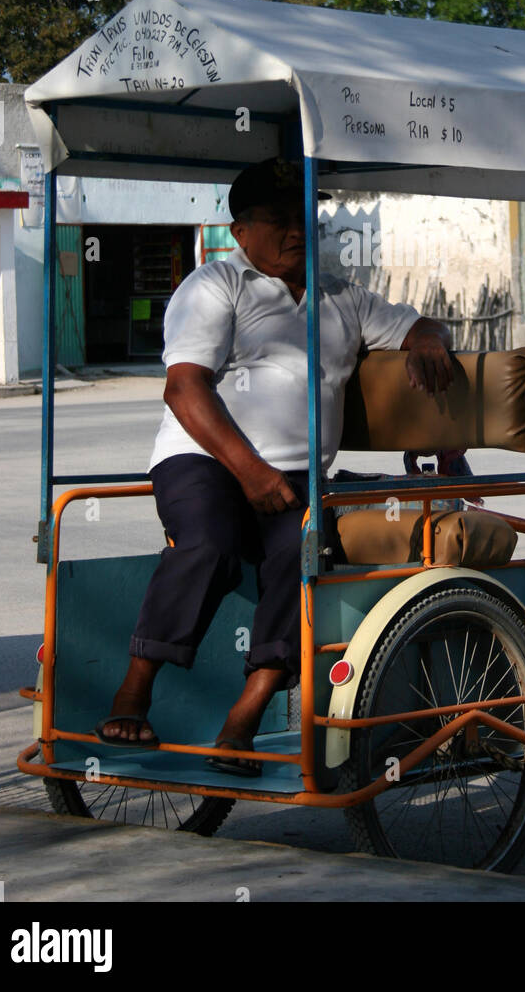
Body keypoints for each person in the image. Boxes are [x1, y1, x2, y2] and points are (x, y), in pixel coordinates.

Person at [96, 158, 453, 773]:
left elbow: (417, 324)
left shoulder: (342, 295)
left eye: (304, 220)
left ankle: (247, 715)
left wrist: (426, 336)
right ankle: (134, 689)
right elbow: (184, 390)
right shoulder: (216, 285)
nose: (296, 233)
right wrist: (250, 474)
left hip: (297, 481)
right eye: (279, 221)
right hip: (202, 461)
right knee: (208, 543)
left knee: (305, 554)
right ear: (240, 231)